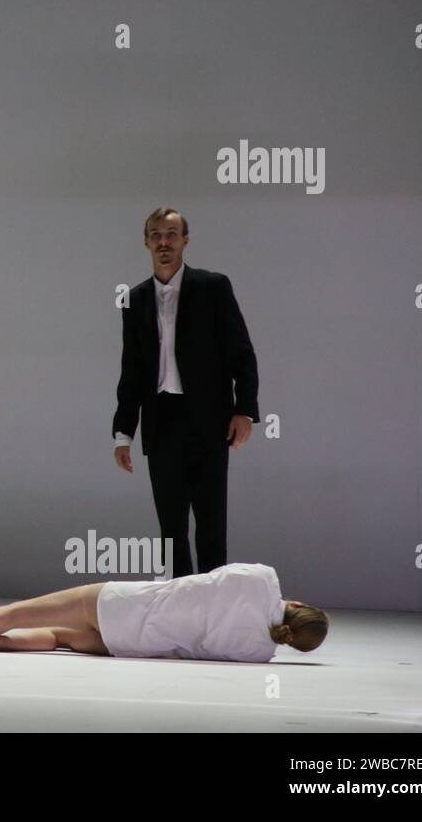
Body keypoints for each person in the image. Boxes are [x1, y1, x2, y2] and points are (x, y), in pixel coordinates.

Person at [112, 208, 258, 577]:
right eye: (157, 235)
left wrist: (245, 410)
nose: (164, 242)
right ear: (146, 242)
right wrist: (122, 433)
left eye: (172, 234)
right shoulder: (134, 299)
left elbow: (240, 351)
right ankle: (180, 610)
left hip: (209, 419)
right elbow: (131, 370)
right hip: (161, 422)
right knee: (170, 528)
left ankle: (213, 611)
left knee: (211, 521)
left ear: (185, 241)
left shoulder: (212, 287)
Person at [0, 563, 326, 663]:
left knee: (17, 611)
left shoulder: (264, 579)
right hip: (136, 645)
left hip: (123, 603)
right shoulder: (259, 654)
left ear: (300, 605)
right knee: (55, 637)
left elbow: (211, 577)